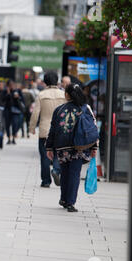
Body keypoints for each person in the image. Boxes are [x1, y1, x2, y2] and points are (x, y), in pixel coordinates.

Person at [45, 83, 98, 212]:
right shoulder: (85, 108)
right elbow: (92, 129)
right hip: (79, 146)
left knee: (65, 172)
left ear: (67, 95)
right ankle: (70, 202)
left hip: (62, 146)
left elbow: (53, 130)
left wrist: (49, 148)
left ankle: (63, 198)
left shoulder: (59, 109)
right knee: (74, 174)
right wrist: (94, 147)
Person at [29, 71, 66, 188]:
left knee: (44, 155)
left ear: (45, 82)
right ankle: (56, 170)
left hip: (45, 130)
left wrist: (31, 128)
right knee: (58, 152)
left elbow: (35, 113)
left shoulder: (41, 95)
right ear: (57, 81)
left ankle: (45, 181)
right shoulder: (63, 94)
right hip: (60, 128)